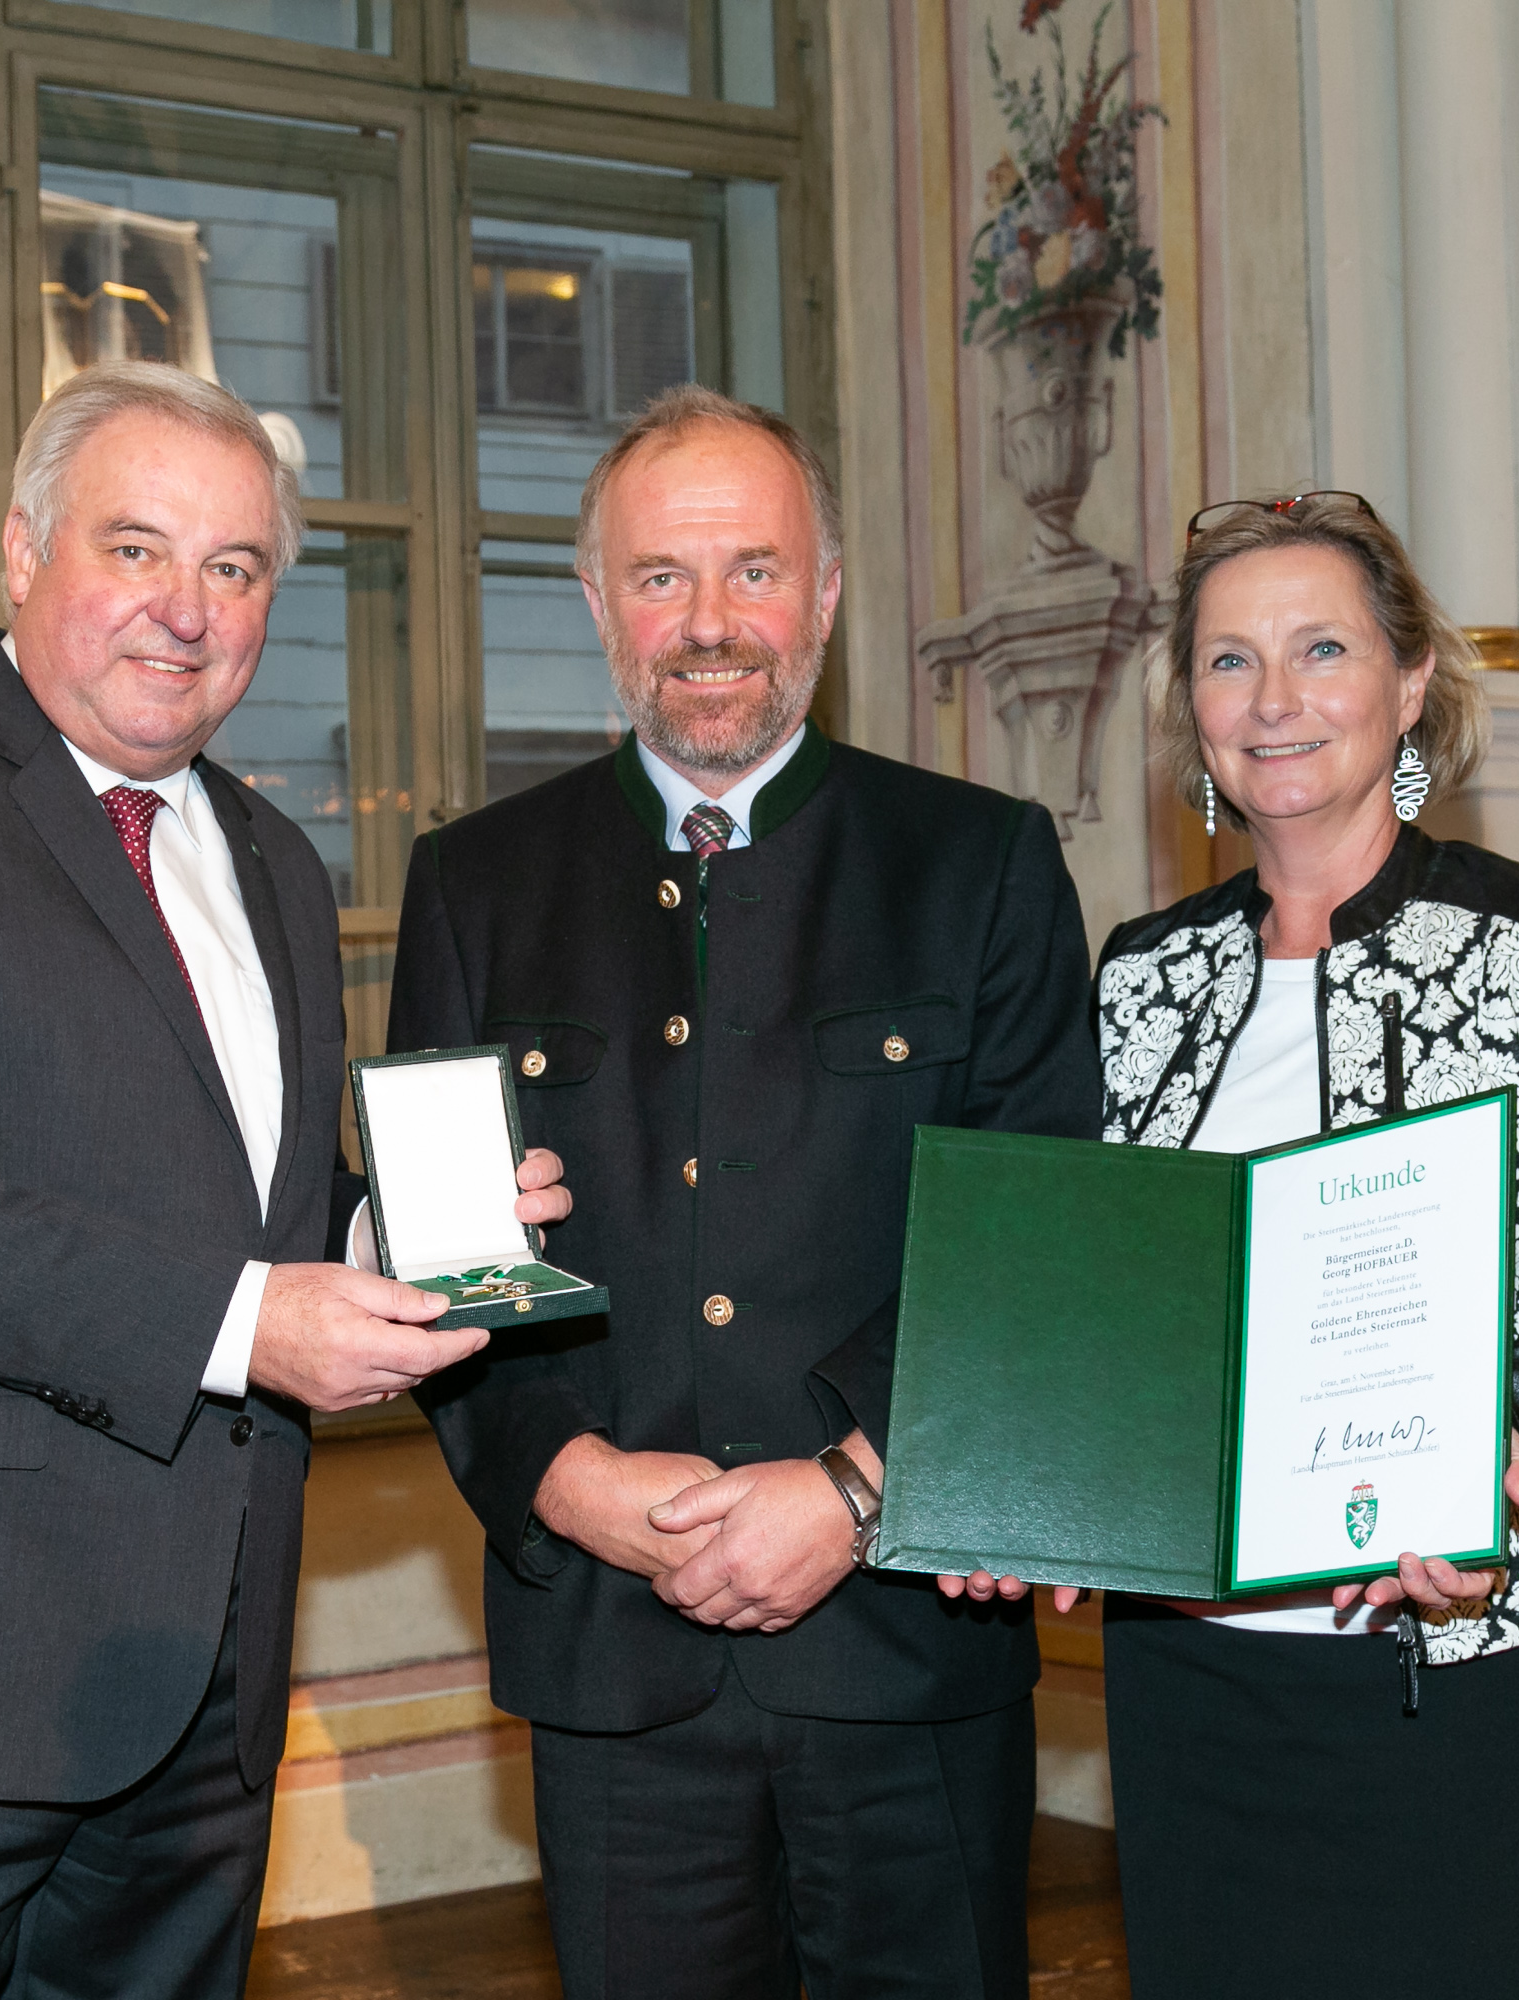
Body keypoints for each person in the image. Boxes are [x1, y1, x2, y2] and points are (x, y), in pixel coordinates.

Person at [0, 360, 568, 1997]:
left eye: (234, 569)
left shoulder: (271, 857)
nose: (186, 610)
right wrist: (247, 1323)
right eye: (135, 549)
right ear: (21, 553)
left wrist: (414, 1237)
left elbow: (255, 1218)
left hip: (191, 1702)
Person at [383, 386, 1100, 1999]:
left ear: (827, 596)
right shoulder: (477, 883)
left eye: (756, 573)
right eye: (660, 578)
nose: (711, 626)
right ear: (595, 604)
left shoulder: (981, 863)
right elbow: (445, 1259)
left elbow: (1040, 1231)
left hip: (908, 1645)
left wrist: (853, 1488)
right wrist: (565, 1480)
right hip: (606, 1652)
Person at [1062, 491, 1519, 1996]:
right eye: (1229, 663)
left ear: (1412, 682)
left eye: (1320, 650)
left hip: (1480, 1662)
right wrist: (1040, 1480)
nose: (1275, 700)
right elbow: (1108, 1299)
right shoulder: (1138, 980)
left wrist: (1505, 1429)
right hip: (1202, 1674)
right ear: (1194, 716)